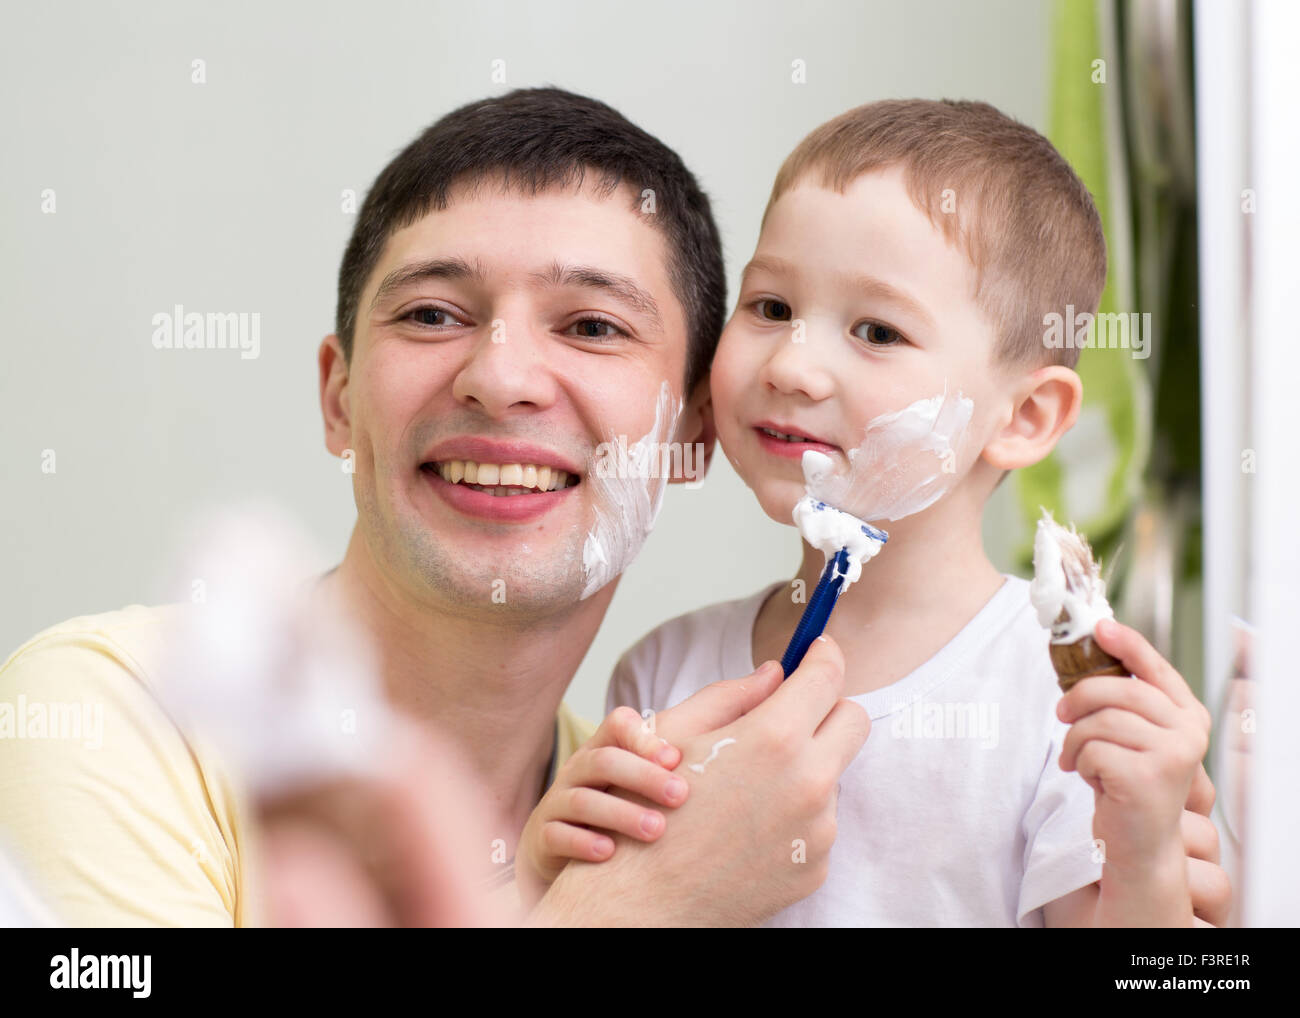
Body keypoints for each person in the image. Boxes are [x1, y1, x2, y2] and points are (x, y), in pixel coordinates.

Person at [0, 87, 868, 926]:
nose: (499, 379)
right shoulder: (112, 710)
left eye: (593, 326)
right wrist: (639, 905)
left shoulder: (635, 793)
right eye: (432, 314)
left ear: (694, 431)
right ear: (340, 398)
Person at [524, 98, 1230, 926]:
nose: (793, 365)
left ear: (1024, 418)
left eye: (877, 330)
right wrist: (551, 871)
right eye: (771, 307)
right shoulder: (664, 673)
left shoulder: (1061, 705)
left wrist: (1145, 859)